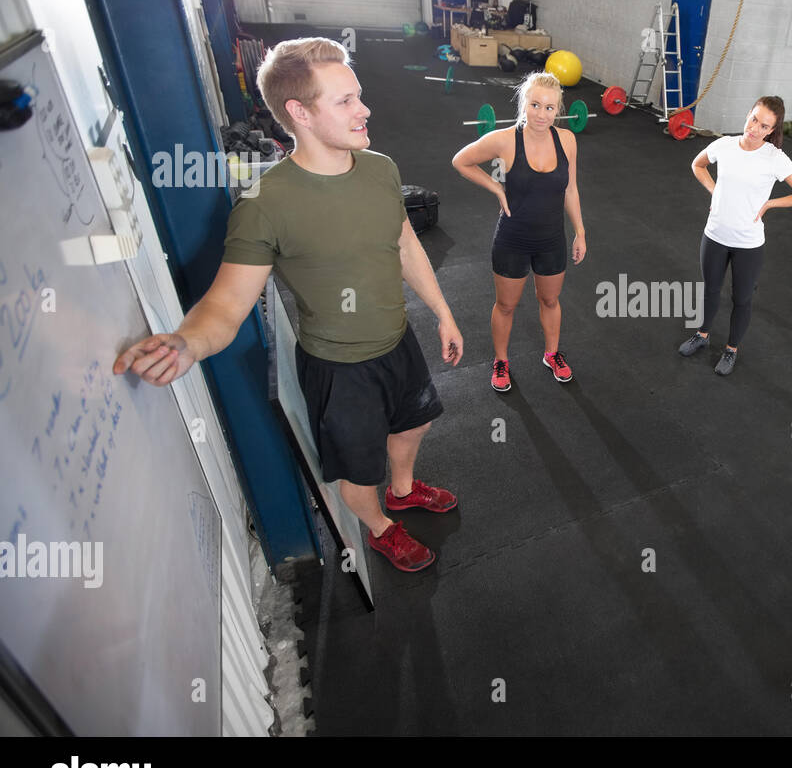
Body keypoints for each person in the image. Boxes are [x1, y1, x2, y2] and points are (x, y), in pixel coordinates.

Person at [114, 37, 464, 573]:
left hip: (397, 340)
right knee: (357, 471)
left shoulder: (380, 169)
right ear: (298, 113)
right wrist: (187, 342)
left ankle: (403, 489)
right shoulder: (265, 203)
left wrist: (441, 311)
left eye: (359, 95)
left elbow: (403, 243)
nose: (364, 109)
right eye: (344, 101)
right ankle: (380, 527)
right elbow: (226, 304)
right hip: (340, 368)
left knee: (414, 425)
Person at [452, 71, 586, 392]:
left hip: (552, 239)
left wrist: (580, 231)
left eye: (550, 108)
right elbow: (461, 160)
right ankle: (501, 360)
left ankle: (551, 354)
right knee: (506, 306)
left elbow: (570, 189)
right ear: (523, 103)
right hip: (512, 238)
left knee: (550, 300)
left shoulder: (567, 139)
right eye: (535, 104)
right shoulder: (504, 139)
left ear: (558, 110)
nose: (542, 114)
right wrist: (497, 188)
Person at [678, 96, 792, 375]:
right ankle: (703, 336)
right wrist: (714, 190)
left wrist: (770, 204)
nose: (755, 128)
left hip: (748, 243)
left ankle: (731, 350)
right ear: (748, 114)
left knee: (742, 298)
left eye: (764, 126)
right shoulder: (725, 145)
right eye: (754, 119)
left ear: (771, 131)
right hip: (715, 234)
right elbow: (697, 165)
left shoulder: (775, 158)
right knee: (710, 290)